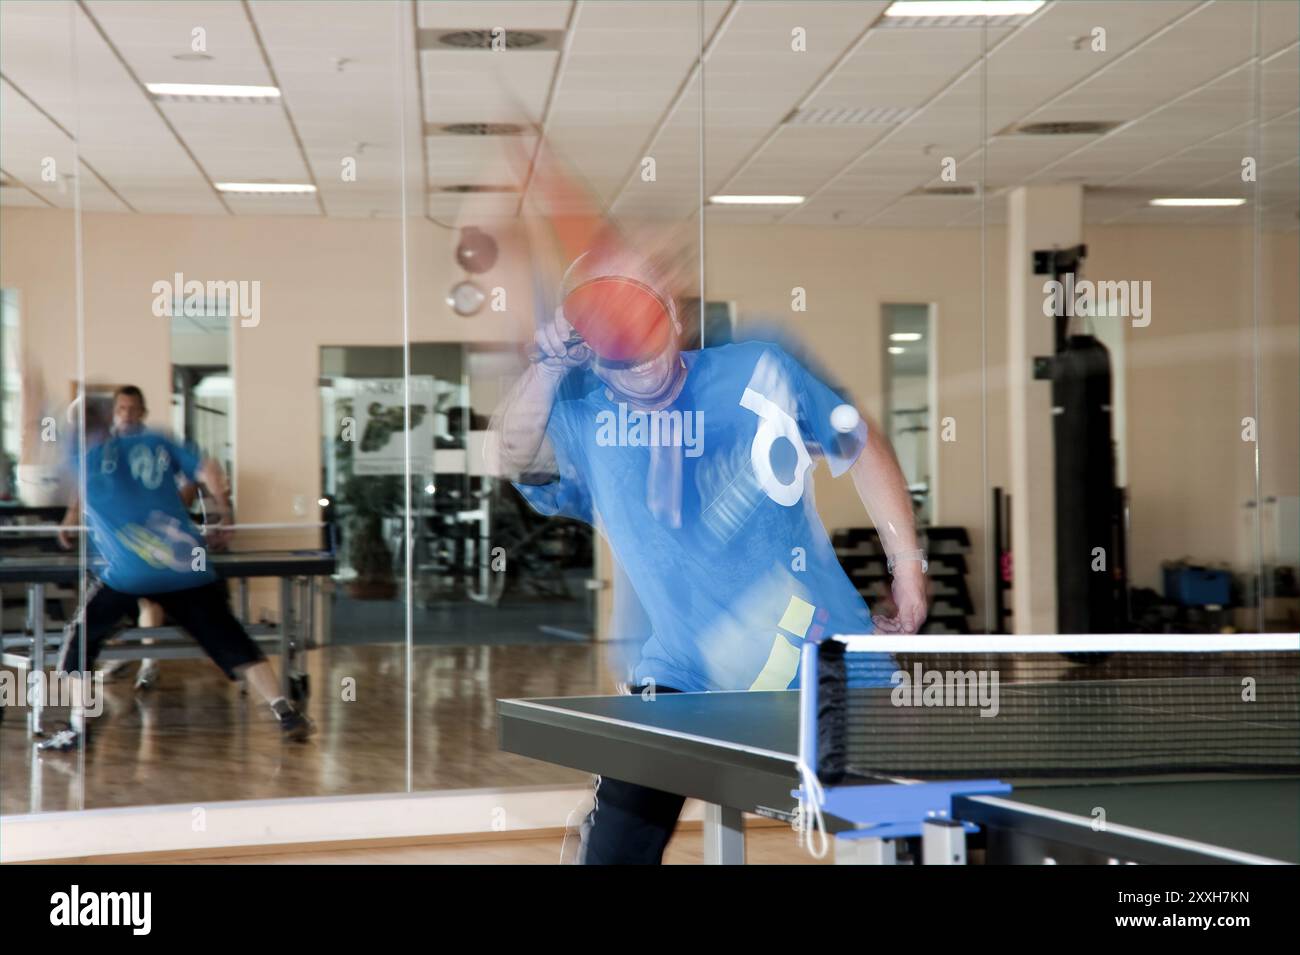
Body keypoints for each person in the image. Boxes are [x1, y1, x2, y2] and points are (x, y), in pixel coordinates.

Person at [492, 250, 927, 864]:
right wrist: (542, 369)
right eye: (622, 361)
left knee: (913, 833)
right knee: (618, 849)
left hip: (828, 653)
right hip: (682, 673)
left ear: (673, 317)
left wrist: (908, 565)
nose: (642, 375)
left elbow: (857, 440)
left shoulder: (758, 370)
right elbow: (514, 454)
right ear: (590, 350)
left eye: (650, 346)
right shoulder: (582, 415)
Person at [39, 385, 312, 752]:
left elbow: (68, 485)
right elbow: (210, 470)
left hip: (127, 573)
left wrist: (32, 389)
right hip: (186, 566)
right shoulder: (159, 441)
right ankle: (285, 712)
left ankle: (79, 724)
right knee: (233, 641)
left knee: (77, 645)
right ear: (112, 416)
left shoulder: (81, 459)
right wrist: (225, 512)